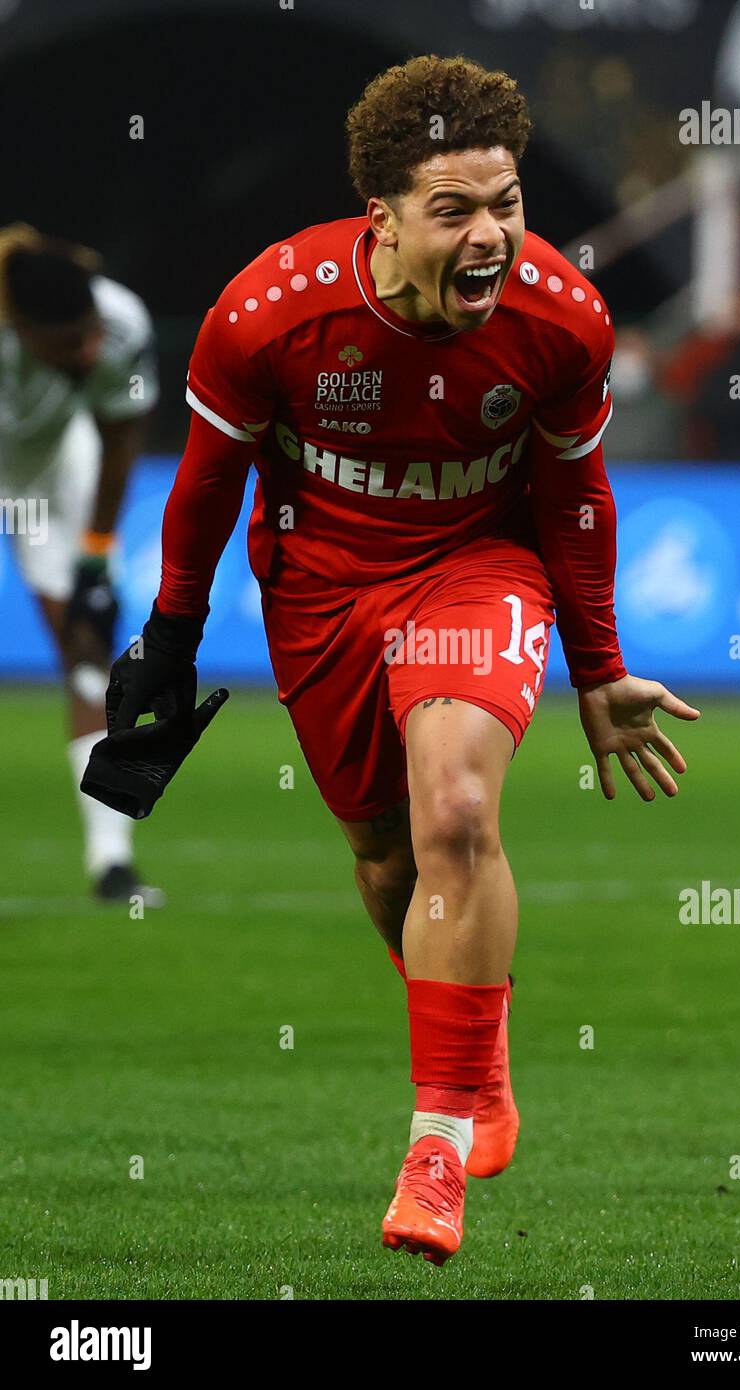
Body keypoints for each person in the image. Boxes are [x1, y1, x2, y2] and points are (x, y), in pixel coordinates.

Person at [101, 56, 699, 1263]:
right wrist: (170, 636)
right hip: (319, 589)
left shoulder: (560, 317)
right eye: (456, 211)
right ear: (381, 217)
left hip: (480, 566)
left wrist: (599, 666)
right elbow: (208, 480)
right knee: (384, 860)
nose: (494, 237)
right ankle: (481, 1056)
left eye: (509, 203)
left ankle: (434, 1152)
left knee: (460, 814)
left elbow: (576, 495)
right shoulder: (272, 312)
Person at [0, 224, 162, 903]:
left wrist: (96, 555)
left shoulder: (119, 320)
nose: (92, 349)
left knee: (89, 652)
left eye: (91, 332)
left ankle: (110, 863)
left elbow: (120, 437)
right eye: (70, 345)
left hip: (44, 475)